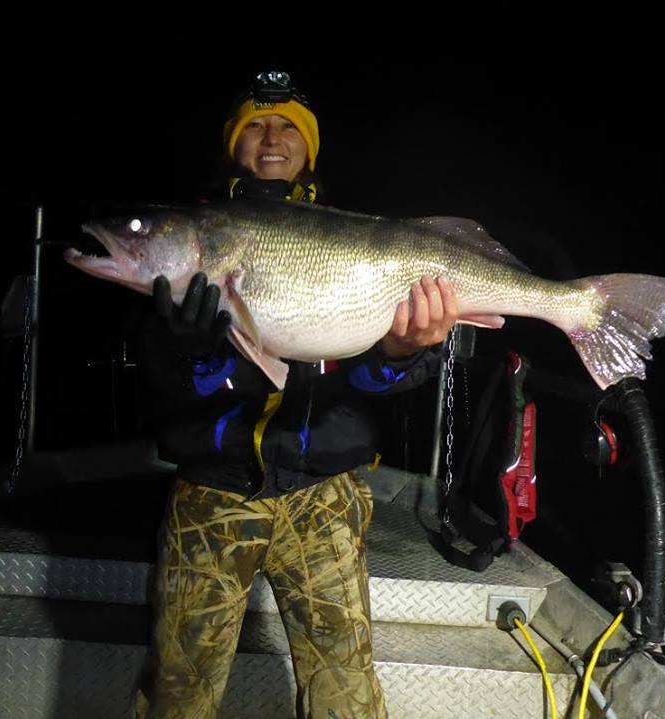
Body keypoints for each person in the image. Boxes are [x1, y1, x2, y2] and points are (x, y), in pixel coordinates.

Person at [134, 71, 458, 719]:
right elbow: (163, 384)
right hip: (212, 493)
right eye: (255, 123)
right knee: (178, 688)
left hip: (324, 496)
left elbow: (364, 383)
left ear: (310, 147)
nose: (272, 137)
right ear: (233, 143)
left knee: (345, 690)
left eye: (288, 125)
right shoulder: (197, 240)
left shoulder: (350, 236)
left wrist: (403, 351)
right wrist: (196, 353)